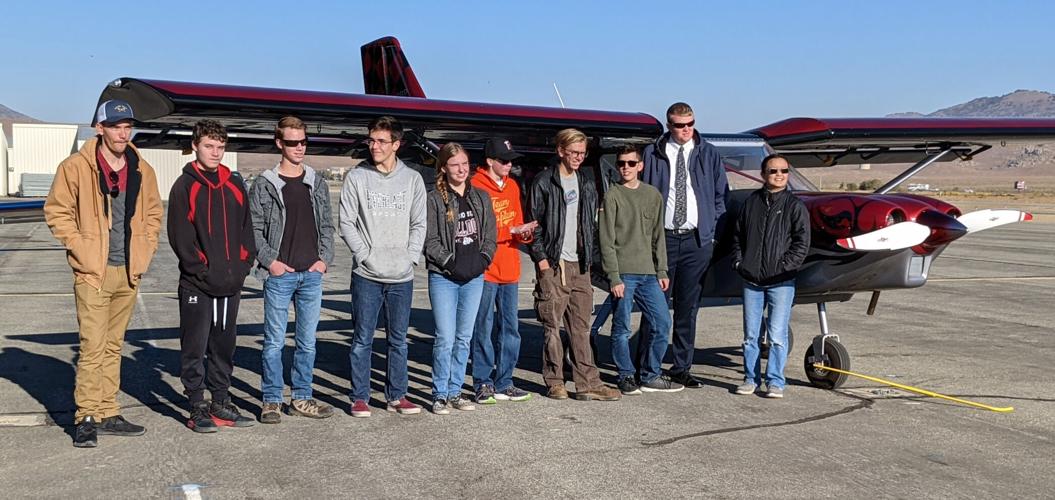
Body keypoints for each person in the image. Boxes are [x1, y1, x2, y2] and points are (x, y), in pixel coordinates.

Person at [44, 99, 163, 448]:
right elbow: (56, 211)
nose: (123, 133)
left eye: (127, 127)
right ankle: (86, 417)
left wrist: (146, 248)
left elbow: (153, 213)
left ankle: (109, 411)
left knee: (113, 346)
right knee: (92, 347)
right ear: (100, 128)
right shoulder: (75, 167)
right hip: (93, 273)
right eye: (115, 127)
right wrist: (79, 247)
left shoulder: (142, 169)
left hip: (128, 271)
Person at [167, 119, 257, 432]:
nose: (215, 152)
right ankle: (197, 405)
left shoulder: (234, 184)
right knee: (194, 346)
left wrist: (242, 266)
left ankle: (220, 401)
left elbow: (247, 230)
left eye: (220, 147)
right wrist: (202, 271)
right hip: (198, 285)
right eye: (209, 146)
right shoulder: (185, 186)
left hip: (231, 283)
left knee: (224, 346)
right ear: (195, 146)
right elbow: (181, 237)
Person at [339, 116, 427, 417]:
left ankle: (397, 396)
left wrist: (409, 257)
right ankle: (359, 397)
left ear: (396, 144)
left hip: (402, 275)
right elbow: (346, 222)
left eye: (381, 141)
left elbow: (419, 223)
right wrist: (364, 255)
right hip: (367, 274)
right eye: (371, 140)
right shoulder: (357, 177)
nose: (374, 146)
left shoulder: (412, 179)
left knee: (398, 340)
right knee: (362, 339)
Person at [249, 116, 335, 423]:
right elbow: (253, 228)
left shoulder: (317, 182)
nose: (299, 147)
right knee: (274, 341)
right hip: (280, 275)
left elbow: (327, 224)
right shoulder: (265, 184)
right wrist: (271, 262)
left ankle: (301, 397)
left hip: (311, 274)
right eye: (292, 142)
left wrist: (324, 260)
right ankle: (272, 400)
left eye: (303, 142)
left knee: (307, 342)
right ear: (279, 143)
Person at [528, 128, 621, 401]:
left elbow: (589, 226)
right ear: (561, 151)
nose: (579, 157)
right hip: (554, 264)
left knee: (580, 326)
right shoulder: (544, 182)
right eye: (574, 152)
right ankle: (555, 381)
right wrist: (543, 262)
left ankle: (587, 383)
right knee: (551, 325)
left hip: (580, 265)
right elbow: (533, 226)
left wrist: (590, 261)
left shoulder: (586, 183)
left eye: (582, 153)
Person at [640, 102, 728, 388]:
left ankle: (681, 367)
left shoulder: (708, 153)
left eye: (690, 123)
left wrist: (710, 231)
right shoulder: (652, 153)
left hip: (695, 241)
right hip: (662, 240)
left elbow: (721, 195)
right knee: (655, 306)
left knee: (688, 308)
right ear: (669, 126)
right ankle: (648, 368)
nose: (686, 130)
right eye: (680, 125)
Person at [599, 146, 684, 395]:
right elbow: (606, 240)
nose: (625, 167)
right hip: (624, 274)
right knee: (622, 328)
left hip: (649, 274)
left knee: (662, 323)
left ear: (640, 166)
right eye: (621, 163)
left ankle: (650, 375)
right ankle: (625, 375)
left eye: (631, 163)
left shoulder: (652, 195)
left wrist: (662, 270)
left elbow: (658, 235)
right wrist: (613, 277)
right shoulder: (612, 195)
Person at [424, 143, 497, 414]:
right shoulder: (434, 199)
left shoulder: (481, 197)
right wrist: (450, 263)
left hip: (474, 278)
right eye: (455, 165)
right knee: (445, 337)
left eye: (464, 163)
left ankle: (455, 391)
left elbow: (490, 235)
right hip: (444, 277)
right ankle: (439, 394)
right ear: (444, 168)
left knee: (464, 337)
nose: (461, 169)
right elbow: (430, 240)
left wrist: (483, 260)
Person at [731, 154, 809, 398]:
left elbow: (802, 243)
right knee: (750, 335)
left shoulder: (795, 206)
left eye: (784, 171)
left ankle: (775, 381)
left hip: (781, 281)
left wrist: (785, 266)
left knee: (777, 335)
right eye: (773, 170)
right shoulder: (751, 202)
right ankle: (750, 379)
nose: (779, 175)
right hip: (751, 280)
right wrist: (739, 263)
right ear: (763, 174)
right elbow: (737, 236)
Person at [469, 138, 537, 405]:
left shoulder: (512, 186)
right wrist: (510, 230)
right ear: (489, 161)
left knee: (511, 329)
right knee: (483, 327)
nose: (509, 165)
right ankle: (483, 382)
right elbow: (477, 232)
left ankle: (505, 381)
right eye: (504, 160)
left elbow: (517, 223)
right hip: (486, 270)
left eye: (511, 161)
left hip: (510, 270)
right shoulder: (475, 186)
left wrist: (525, 234)